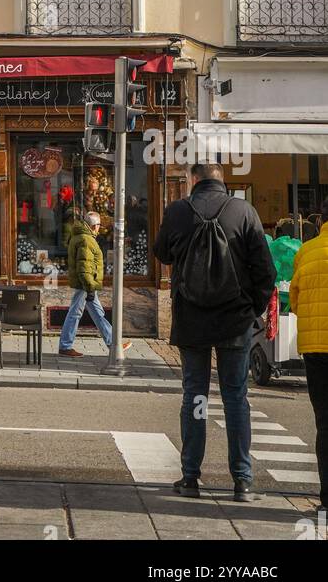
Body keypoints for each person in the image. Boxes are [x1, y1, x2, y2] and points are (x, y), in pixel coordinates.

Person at [153, 162, 276, 502]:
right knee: (236, 398)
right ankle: (243, 481)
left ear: (193, 180)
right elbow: (265, 269)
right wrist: (252, 310)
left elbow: (161, 252)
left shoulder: (178, 211)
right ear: (223, 181)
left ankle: (190, 477)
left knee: (195, 395)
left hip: (191, 320)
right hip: (234, 321)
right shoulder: (243, 211)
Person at [289, 196, 328, 513]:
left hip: (316, 348)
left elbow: (298, 303)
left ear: (320, 222)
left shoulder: (306, 251)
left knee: (324, 423)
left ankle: (327, 496)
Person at [58, 211, 132, 358]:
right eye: (99, 225)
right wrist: (90, 287)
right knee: (75, 313)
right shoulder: (86, 240)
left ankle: (113, 342)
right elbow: (84, 267)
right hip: (85, 284)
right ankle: (65, 346)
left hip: (87, 283)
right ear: (94, 226)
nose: (100, 228)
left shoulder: (82, 237)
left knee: (98, 313)